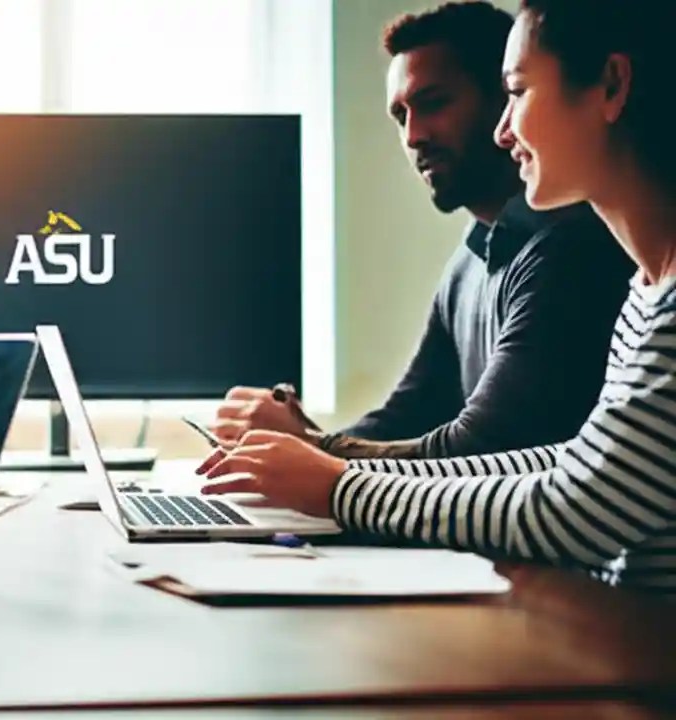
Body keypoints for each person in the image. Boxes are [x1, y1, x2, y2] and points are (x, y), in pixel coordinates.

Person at [200, 0, 676, 596]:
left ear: (610, 86)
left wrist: (337, 484)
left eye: (518, 92)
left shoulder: (627, 279)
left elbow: (579, 511)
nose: (506, 130)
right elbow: (568, 463)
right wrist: (318, 464)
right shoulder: (647, 291)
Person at [212, 1, 632, 461]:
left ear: (503, 96)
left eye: (433, 104)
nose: (413, 135)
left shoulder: (569, 247)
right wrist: (284, 453)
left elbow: (480, 448)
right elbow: (407, 416)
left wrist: (310, 446)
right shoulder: (474, 254)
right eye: (400, 116)